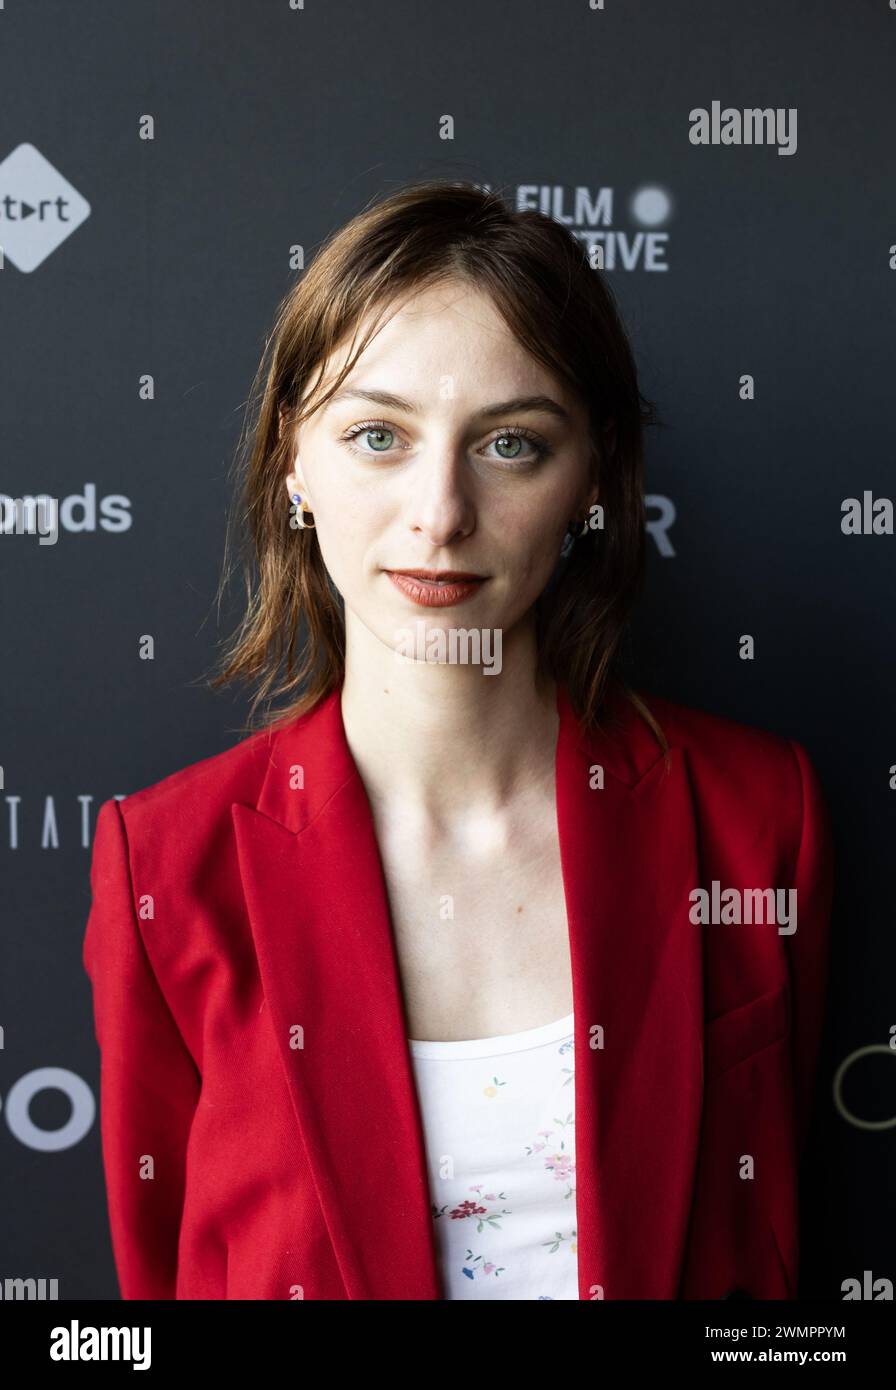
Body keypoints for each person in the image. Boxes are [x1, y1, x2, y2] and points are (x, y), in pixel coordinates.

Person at [82, 180, 833, 1301]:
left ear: (592, 480)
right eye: (376, 435)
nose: (439, 512)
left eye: (511, 445)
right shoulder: (167, 864)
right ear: (295, 459)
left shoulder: (757, 815)